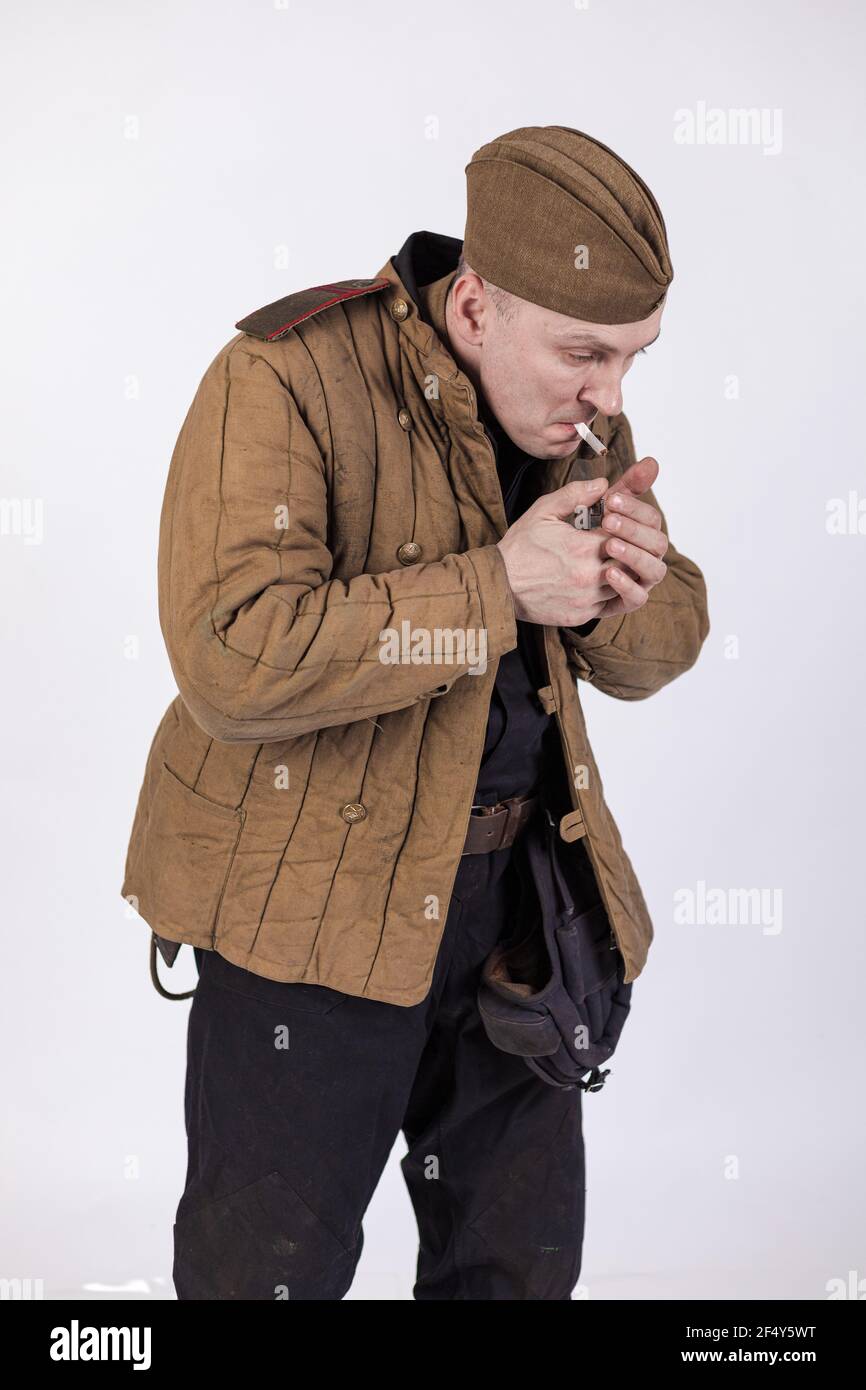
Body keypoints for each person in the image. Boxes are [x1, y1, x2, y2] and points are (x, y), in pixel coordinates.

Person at [120, 125, 709, 1299]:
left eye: (634, 358)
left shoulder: (576, 422)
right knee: (261, 1279)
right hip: (310, 918)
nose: (611, 395)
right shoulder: (282, 376)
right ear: (478, 307)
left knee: (516, 1272)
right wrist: (500, 587)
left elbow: (658, 645)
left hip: (515, 913)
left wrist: (614, 596)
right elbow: (233, 656)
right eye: (585, 353)